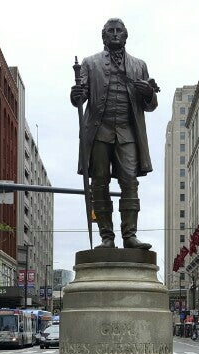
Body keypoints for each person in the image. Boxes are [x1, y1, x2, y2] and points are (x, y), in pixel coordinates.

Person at [71, 18, 159, 249]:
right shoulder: (90, 63)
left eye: (119, 30)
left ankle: (129, 235)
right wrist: (75, 94)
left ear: (126, 35)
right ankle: (106, 238)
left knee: (129, 181)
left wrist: (149, 92)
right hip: (99, 132)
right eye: (110, 31)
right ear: (103, 36)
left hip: (128, 133)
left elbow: (151, 105)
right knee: (99, 183)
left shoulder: (139, 65)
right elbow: (80, 98)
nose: (115, 34)